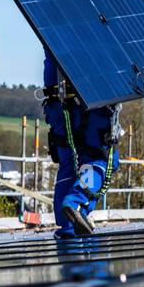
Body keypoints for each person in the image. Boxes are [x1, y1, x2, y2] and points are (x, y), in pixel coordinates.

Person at [41, 51, 121, 237]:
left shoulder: (51, 26)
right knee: (100, 160)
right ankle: (76, 201)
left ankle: (67, 227)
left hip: (57, 99)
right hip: (95, 98)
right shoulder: (98, 30)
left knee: (69, 165)